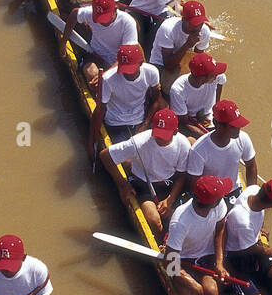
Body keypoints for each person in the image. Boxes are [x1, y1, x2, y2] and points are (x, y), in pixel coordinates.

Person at [99, 106, 190, 236]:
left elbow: (182, 175)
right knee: (154, 221)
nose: (159, 138)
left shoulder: (183, 143)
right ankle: (160, 242)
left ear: (175, 132)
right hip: (144, 184)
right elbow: (105, 155)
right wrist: (122, 184)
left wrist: (170, 199)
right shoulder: (139, 142)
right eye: (156, 134)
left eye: (164, 136)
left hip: (170, 183)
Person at [162, 175, 232, 295]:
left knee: (211, 291)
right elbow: (169, 264)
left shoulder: (219, 204)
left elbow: (220, 230)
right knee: (195, 294)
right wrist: (192, 284)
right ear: (213, 202)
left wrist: (219, 263)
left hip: (205, 258)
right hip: (182, 261)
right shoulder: (180, 222)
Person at [60, 0, 138, 88]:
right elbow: (74, 14)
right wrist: (63, 42)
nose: (102, 23)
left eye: (105, 18)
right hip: (95, 54)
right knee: (91, 74)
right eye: (99, 19)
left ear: (115, 9)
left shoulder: (128, 22)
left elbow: (126, 57)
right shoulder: (91, 13)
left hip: (118, 63)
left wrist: (106, 75)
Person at [93, 43, 163, 150]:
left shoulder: (151, 72)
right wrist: (92, 141)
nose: (127, 74)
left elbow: (156, 100)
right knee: (127, 160)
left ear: (140, 63)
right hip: (115, 123)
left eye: (131, 69)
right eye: (124, 69)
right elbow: (99, 110)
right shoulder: (108, 79)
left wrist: (145, 125)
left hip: (139, 121)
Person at [186, 99, 257, 195]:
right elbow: (193, 186)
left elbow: (251, 166)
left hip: (233, 190)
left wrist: (250, 194)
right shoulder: (198, 150)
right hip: (209, 195)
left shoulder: (243, 138)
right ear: (218, 125)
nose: (238, 129)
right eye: (233, 126)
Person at [150, 0, 211, 86]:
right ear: (183, 19)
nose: (198, 27)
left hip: (182, 62)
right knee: (170, 87)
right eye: (194, 23)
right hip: (161, 63)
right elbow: (168, 65)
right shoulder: (168, 29)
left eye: (201, 23)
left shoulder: (204, 31)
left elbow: (198, 59)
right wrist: (187, 45)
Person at [169, 52, 227, 137]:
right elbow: (183, 121)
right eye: (214, 74)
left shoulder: (218, 76)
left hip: (209, 117)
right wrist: (205, 136)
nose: (216, 76)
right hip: (190, 121)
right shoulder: (178, 90)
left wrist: (217, 109)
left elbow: (220, 83)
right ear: (202, 78)